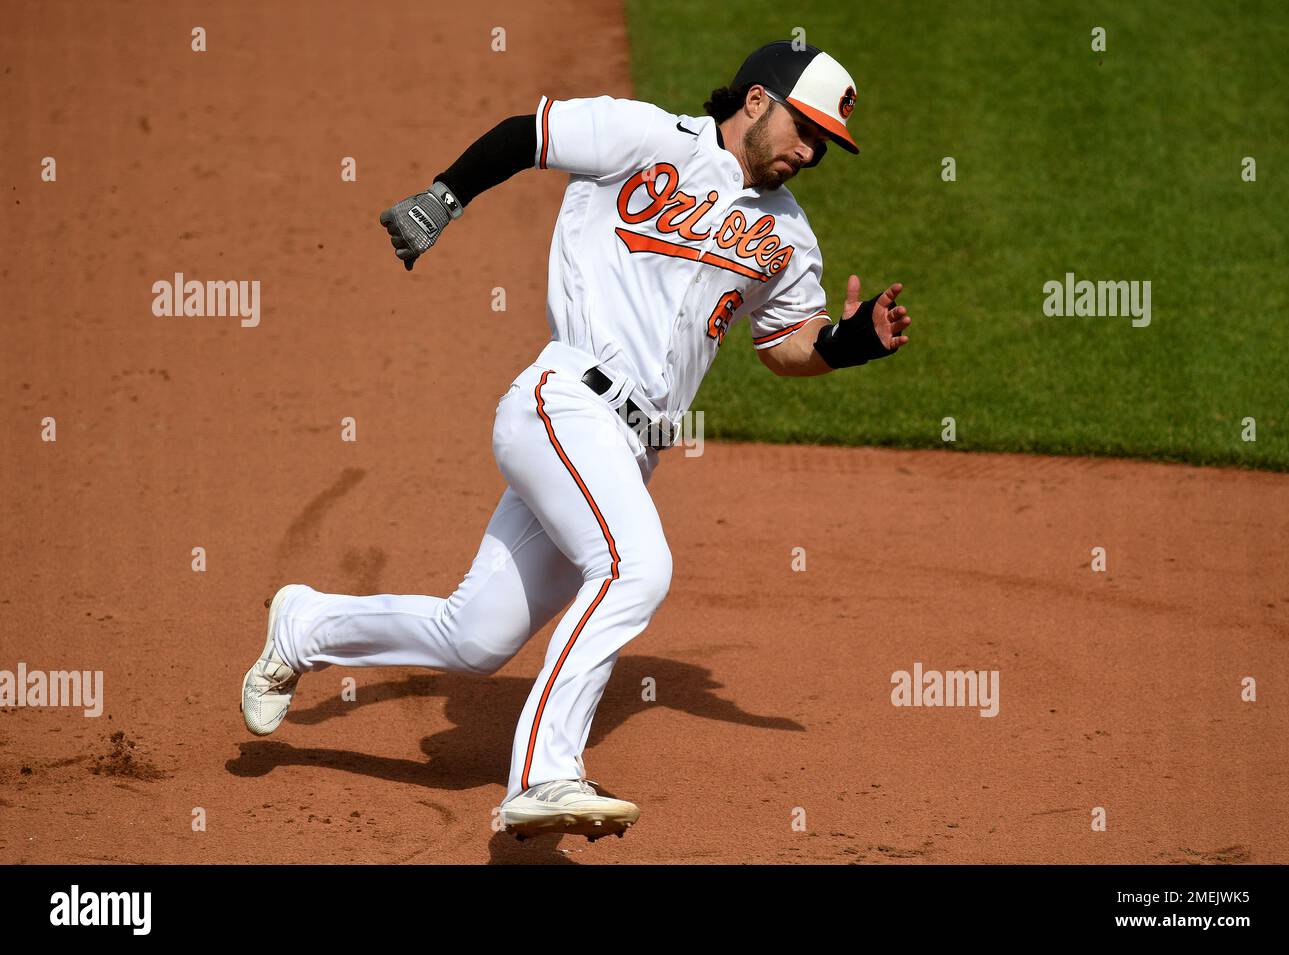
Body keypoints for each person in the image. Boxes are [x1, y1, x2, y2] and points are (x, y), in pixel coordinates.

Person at [240, 40, 912, 842]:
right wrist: (445, 197)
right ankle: (544, 771)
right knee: (637, 567)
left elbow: (784, 347)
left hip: (628, 452)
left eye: (825, 147)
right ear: (758, 101)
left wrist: (849, 342)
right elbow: (529, 134)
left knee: (476, 635)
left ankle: (305, 626)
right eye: (806, 130)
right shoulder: (648, 138)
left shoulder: (790, 237)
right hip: (564, 403)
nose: (811, 154)